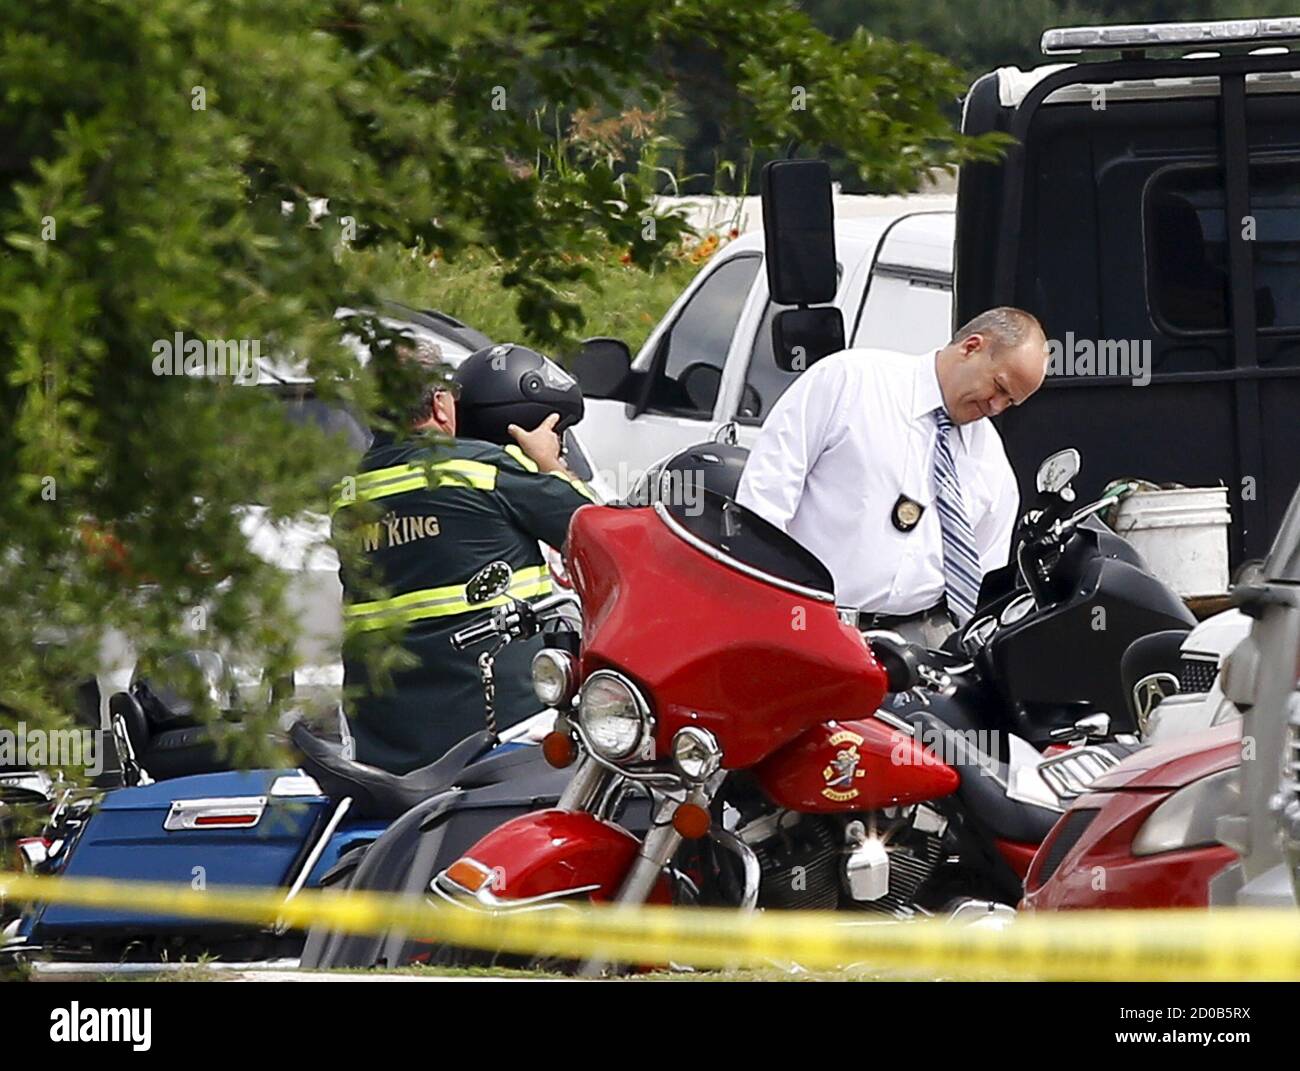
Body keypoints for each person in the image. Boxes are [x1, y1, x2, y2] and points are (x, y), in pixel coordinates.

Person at [332, 341, 594, 774]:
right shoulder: (481, 470)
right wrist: (548, 462)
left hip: (384, 746)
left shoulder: (347, 498)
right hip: (499, 737)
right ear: (439, 405)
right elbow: (591, 530)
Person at [737, 307, 1049, 646]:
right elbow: (765, 500)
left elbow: (985, 579)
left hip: (917, 647)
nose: (996, 407)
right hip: (810, 624)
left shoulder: (991, 459)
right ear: (972, 346)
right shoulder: (849, 382)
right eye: (998, 386)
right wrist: (764, 613)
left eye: (1010, 402)